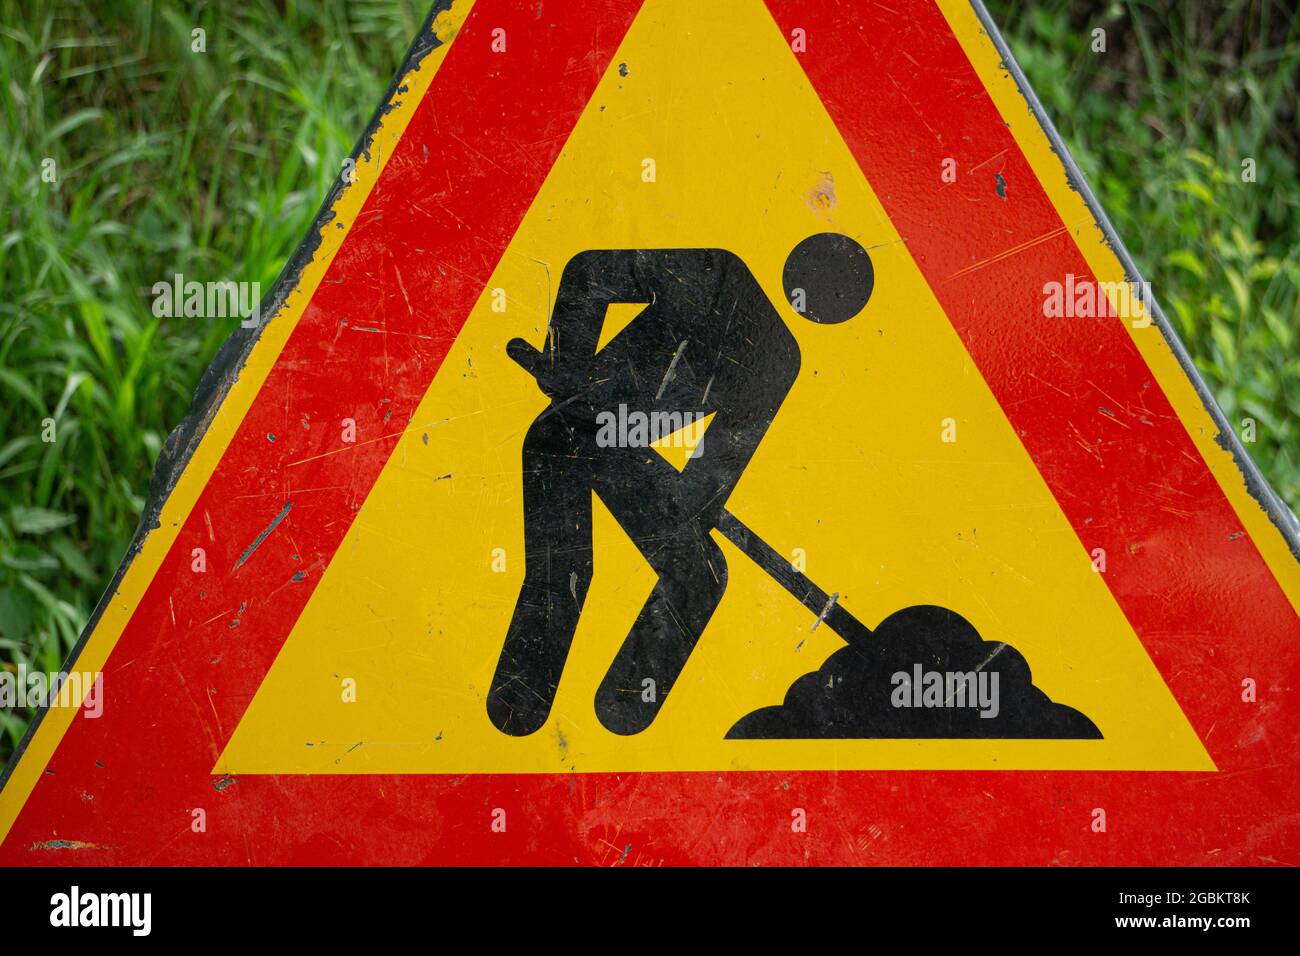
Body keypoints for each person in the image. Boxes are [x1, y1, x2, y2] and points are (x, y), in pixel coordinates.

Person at [487, 234, 873, 736]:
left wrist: (693, 503)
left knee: (697, 572)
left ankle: (625, 703)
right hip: (569, 430)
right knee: (570, 568)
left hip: (601, 441)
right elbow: (588, 272)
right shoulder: (716, 276)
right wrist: (570, 362)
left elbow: (718, 462)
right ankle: (523, 693)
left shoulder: (776, 361)